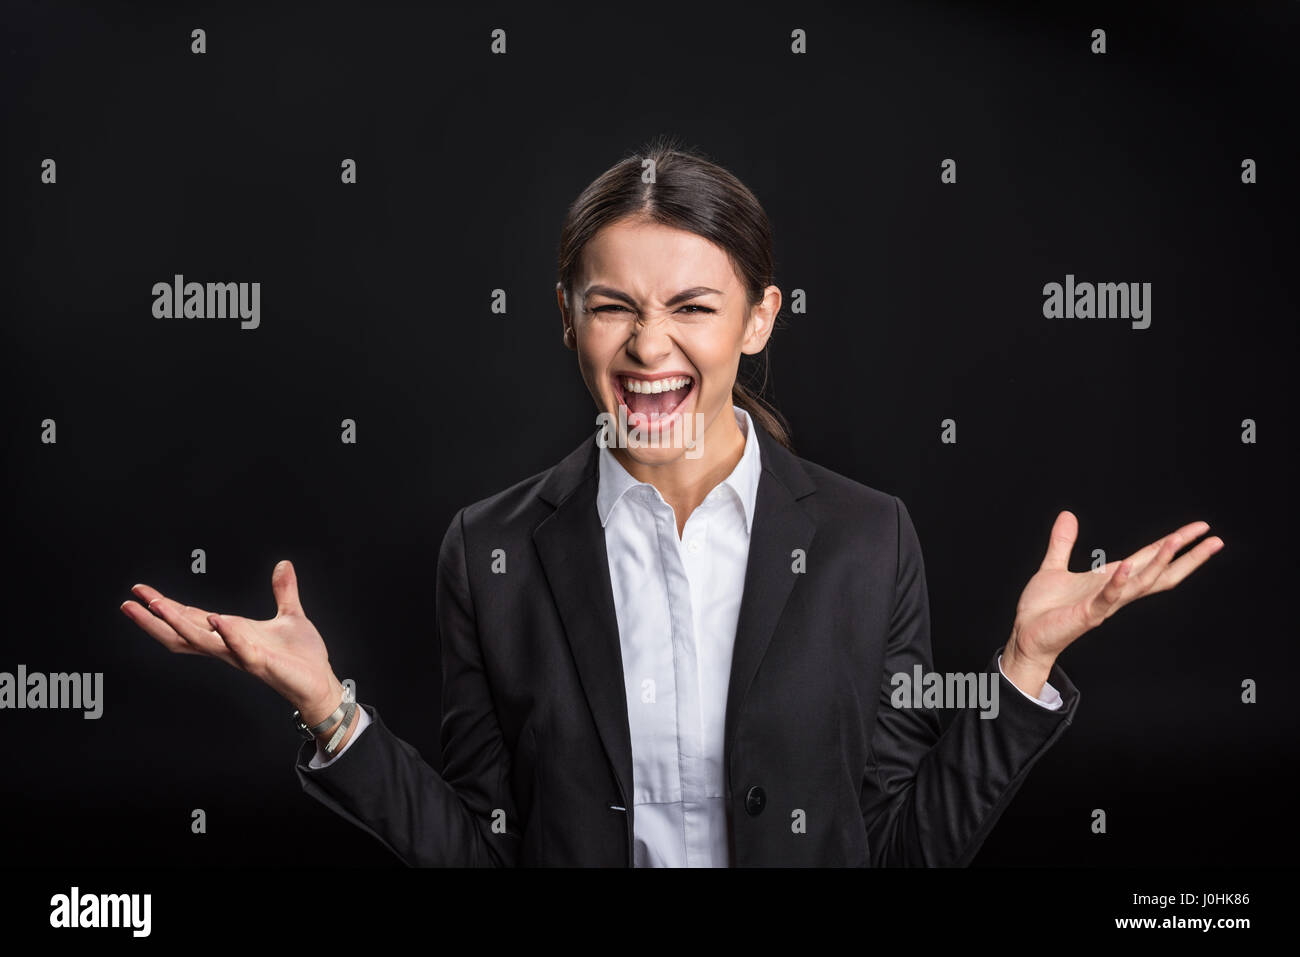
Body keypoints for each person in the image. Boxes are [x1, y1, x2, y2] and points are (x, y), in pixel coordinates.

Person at [120, 138, 1223, 866]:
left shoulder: (865, 538)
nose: (650, 345)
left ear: (758, 319)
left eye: (693, 305)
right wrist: (328, 707)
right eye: (614, 307)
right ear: (568, 319)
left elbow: (897, 850)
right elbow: (483, 851)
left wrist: (1021, 670)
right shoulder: (492, 548)